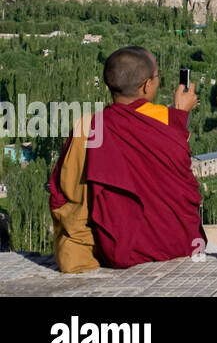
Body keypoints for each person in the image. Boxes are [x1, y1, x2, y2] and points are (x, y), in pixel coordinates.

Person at [48, 46, 204, 273]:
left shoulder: (90, 127)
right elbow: (175, 164)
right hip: (178, 242)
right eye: (157, 76)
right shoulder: (168, 120)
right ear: (146, 85)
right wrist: (181, 112)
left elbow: (65, 190)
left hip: (114, 248)